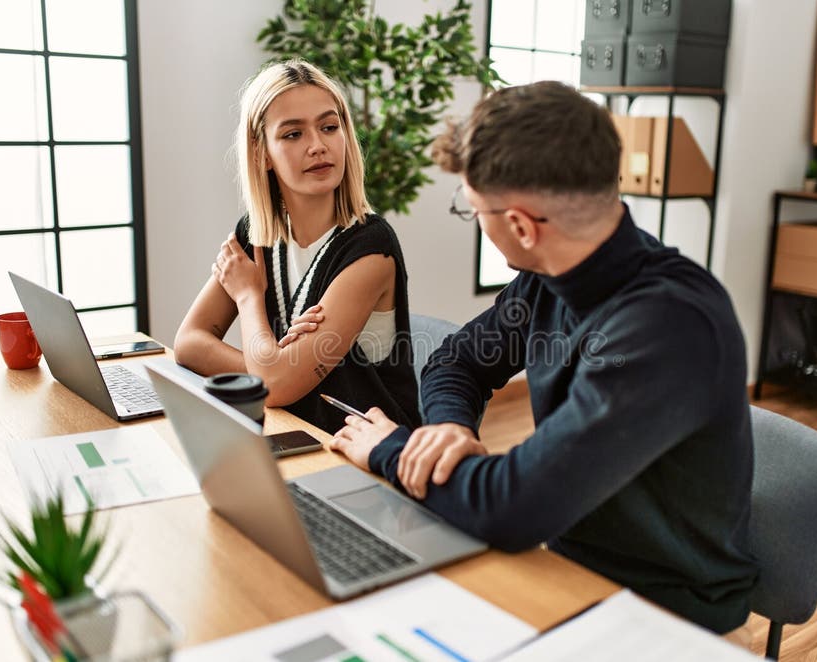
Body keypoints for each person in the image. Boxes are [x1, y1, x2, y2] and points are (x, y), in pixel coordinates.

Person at [327, 81, 759, 634]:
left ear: (521, 226)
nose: (476, 219)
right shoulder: (551, 277)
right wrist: (449, 430)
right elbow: (456, 362)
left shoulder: (667, 327)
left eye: (473, 209)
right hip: (563, 573)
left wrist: (391, 449)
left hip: (669, 619)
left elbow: (512, 509)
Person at [174, 60, 420, 432]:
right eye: (293, 134)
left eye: (329, 127)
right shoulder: (255, 235)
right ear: (261, 153)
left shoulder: (371, 248)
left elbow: (276, 384)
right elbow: (189, 343)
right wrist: (275, 366)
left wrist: (248, 298)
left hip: (370, 459)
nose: (318, 146)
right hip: (290, 433)